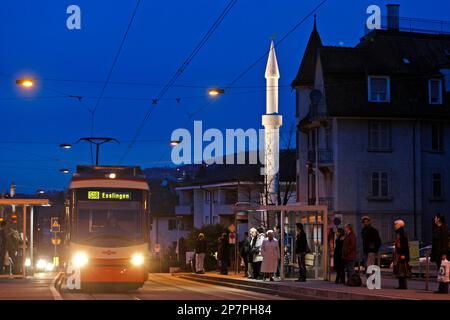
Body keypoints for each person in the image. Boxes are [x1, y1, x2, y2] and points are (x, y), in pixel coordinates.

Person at [431, 213, 449, 294]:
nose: (434, 219)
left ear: (438, 219)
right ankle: (441, 289)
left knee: (443, 271)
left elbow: (444, 241)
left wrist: (444, 253)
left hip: (441, 253)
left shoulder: (443, 228)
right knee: (441, 271)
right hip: (437, 253)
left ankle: (444, 289)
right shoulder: (437, 228)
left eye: (435, 217)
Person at [393, 220, 410, 290]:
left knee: (402, 270)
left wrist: (403, 254)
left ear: (400, 225)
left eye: (396, 224)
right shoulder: (399, 233)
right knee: (400, 270)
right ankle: (401, 285)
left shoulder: (402, 234)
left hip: (401, 254)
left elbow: (404, 245)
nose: (395, 226)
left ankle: (403, 285)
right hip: (399, 253)